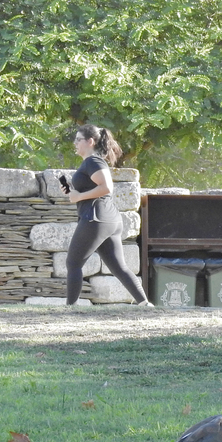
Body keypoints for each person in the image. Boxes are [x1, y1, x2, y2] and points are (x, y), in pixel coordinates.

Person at [62, 124, 152, 306]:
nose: (75, 143)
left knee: (73, 263)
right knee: (119, 267)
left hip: (97, 219)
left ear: (90, 141)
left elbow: (106, 188)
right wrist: (73, 192)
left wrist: (79, 196)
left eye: (78, 140)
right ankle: (145, 304)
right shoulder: (91, 162)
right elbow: (94, 188)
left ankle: (70, 309)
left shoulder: (93, 161)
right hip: (107, 219)